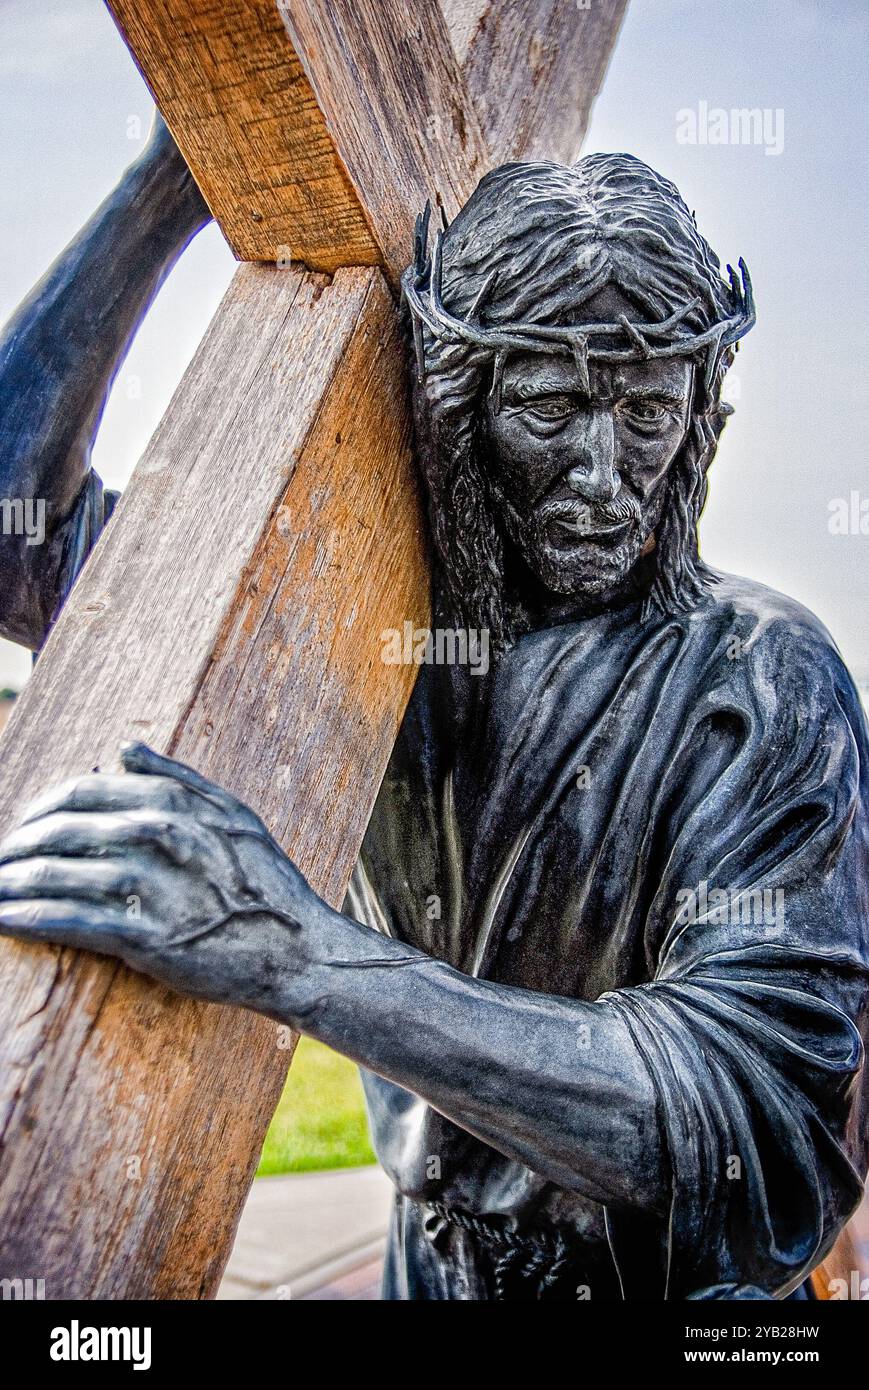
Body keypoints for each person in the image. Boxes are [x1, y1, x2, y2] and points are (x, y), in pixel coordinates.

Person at [0, 136, 866, 1301]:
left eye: (648, 410)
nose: (606, 474)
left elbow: (738, 1109)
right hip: (433, 1270)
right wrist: (173, 177)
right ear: (462, 408)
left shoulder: (761, 679)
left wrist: (301, 956)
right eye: (552, 405)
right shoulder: (352, 635)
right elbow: (21, 543)